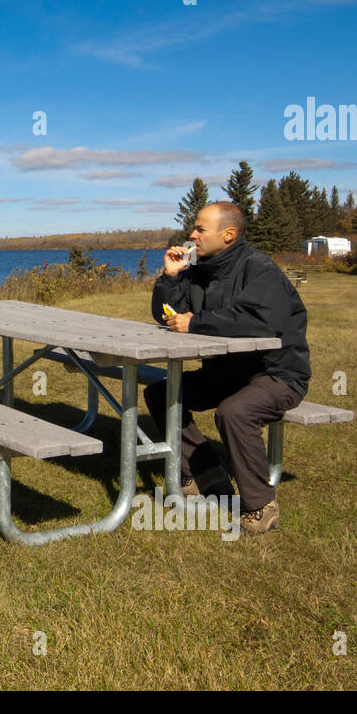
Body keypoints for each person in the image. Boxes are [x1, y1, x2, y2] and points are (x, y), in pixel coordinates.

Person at [144, 201, 310, 534]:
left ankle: (261, 507)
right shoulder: (198, 269)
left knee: (234, 412)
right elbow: (168, 316)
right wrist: (170, 277)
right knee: (161, 393)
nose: (191, 235)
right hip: (227, 373)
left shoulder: (259, 269)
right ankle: (203, 477)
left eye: (200, 229)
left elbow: (261, 321)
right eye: (194, 228)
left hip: (276, 374)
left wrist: (197, 323)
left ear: (229, 234)